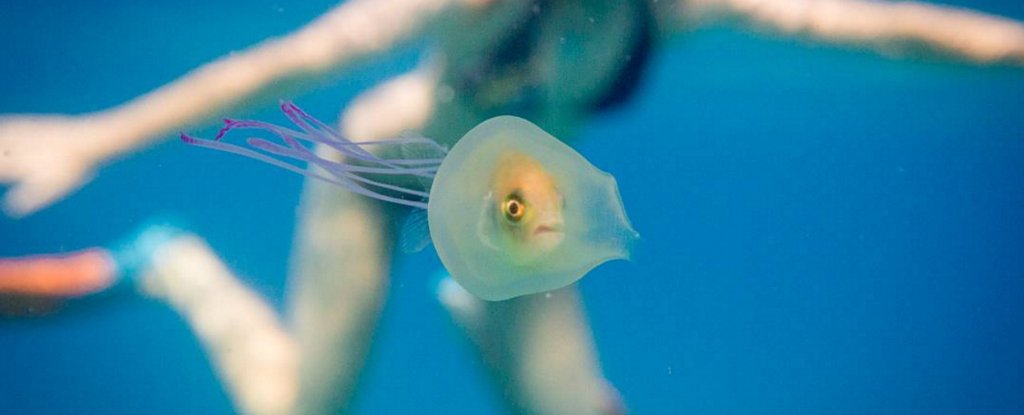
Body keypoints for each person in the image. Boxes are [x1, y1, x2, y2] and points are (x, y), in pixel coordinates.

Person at [1, 1, 1022, 414]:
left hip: (517, 216)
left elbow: (871, 27)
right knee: (303, 410)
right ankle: (170, 262)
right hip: (378, 181)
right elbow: (278, 64)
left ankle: (477, 306)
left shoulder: (665, 7)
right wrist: (98, 135)